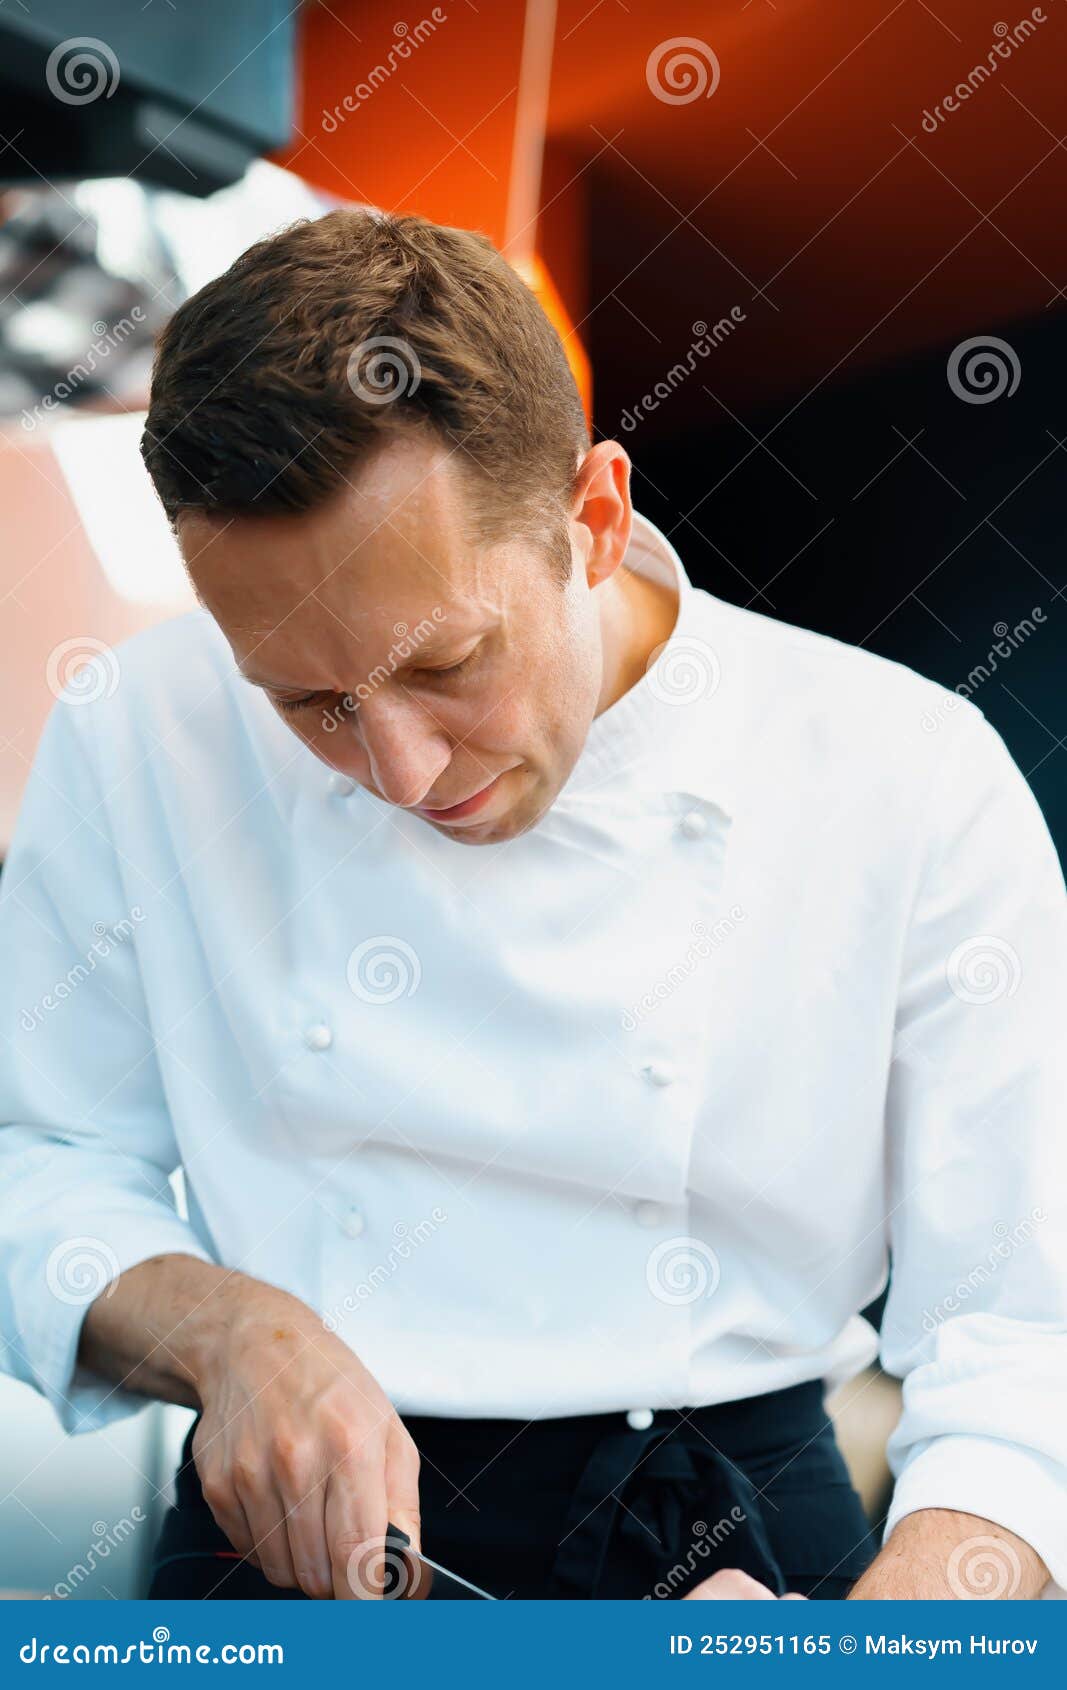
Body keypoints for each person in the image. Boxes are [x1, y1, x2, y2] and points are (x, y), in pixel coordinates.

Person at [0, 209, 1063, 1602]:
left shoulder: (905, 775)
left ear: (596, 517)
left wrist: (881, 1643)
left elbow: (1025, 1332)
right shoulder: (133, 734)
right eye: (305, 701)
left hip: (727, 1555)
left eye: (445, 661)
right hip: (290, 1550)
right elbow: (36, 1155)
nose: (397, 768)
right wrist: (223, 1330)